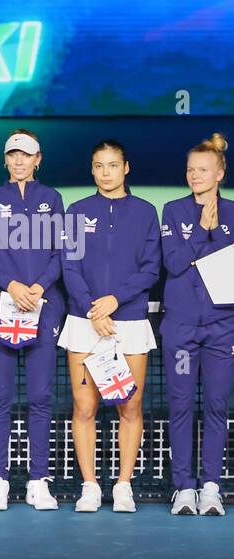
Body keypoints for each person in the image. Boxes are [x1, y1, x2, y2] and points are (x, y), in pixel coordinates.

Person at [59, 140, 160, 513]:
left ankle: (122, 486)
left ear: (126, 168)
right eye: (99, 166)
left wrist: (115, 300)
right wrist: (93, 308)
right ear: (92, 170)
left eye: (113, 165)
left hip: (130, 321)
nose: (106, 172)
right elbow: (69, 266)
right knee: (84, 406)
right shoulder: (76, 211)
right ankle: (89, 486)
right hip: (84, 322)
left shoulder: (147, 212)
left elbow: (151, 267)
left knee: (130, 406)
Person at [0, 130, 65, 511]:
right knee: (0, 396)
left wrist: (39, 288)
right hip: (0, 305)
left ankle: (38, 480)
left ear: (38, 159)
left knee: (41, 397)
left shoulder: (53, 200)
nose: (18, 161)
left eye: (25, 155)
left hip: (43, 307)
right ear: (5, 160)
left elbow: (64, 254)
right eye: (12, 155)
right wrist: (12, 285)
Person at [159, 133, 234, 515]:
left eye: (203, 170)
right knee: (182, 405)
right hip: (182, 330)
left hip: (222, 329)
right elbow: (173, 263)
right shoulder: (172, 211)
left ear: (220, 173)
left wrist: (216, 230)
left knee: (217, 406)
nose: (195, 176)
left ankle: (211, 487)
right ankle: (183, 488)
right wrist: (202, 232)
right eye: (190, 170)